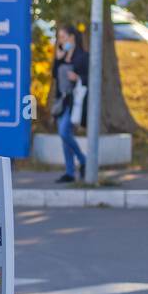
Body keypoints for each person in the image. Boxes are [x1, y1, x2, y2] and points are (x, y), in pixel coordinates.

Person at [51, 23, 89, 184]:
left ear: (72, 38)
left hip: (74, 101)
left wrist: (78, 78)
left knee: (64, 132)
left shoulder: (82, 56)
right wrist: (58, 59)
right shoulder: (61, 56)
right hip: (61, 101)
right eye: (59, 38)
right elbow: (54, 76)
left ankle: (84, 160)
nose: (60, 40)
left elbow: (89, 77)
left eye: (63, 37)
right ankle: (70, 172)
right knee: (65, 137)